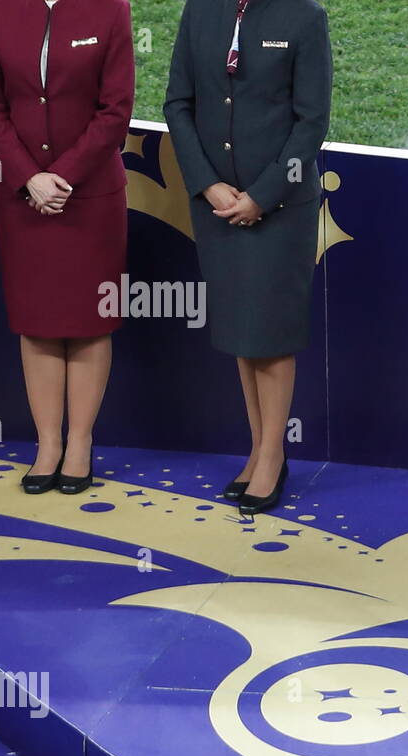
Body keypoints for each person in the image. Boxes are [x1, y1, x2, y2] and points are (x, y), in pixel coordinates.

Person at [163, 0, 332, 515]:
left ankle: (272, 452)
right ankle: (261, 448)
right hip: (218, 205)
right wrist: (207, 183)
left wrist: (264, 193)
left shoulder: (303, 17)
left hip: (279, 206)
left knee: (271, 332)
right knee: (243, 331)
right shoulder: (200, 10)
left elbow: (311, 121)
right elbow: (178, 104)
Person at [0, 0, 135, 495]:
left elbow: (116, 108)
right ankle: (47, 445)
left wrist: (61, 176)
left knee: (89, 321)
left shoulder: (110, 9)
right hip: (22, 198)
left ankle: (80, 443)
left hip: (89, 197)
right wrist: (29, 177)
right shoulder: (1, 9)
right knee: (36, 320)